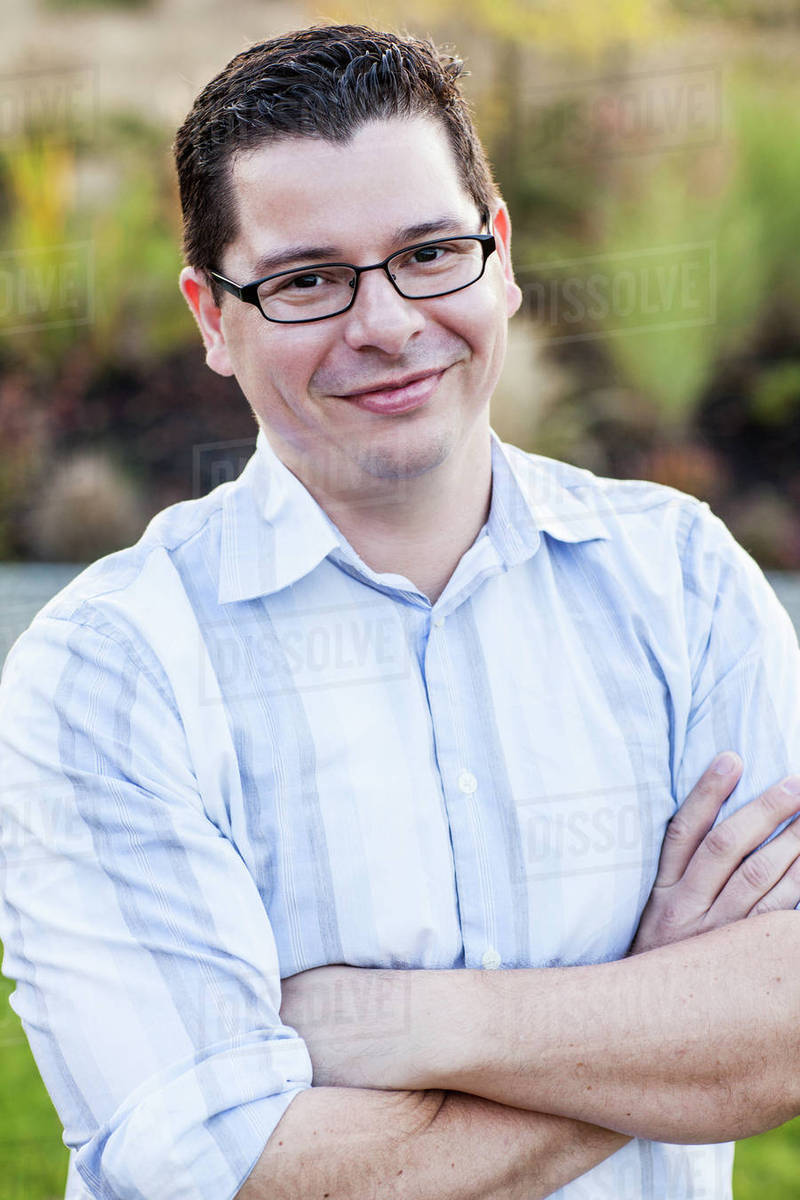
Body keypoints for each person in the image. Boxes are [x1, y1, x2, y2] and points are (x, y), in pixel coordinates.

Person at [1, 23, 800, 1200]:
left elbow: (781, 1028)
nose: (383, 323)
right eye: (306, 278)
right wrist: (657, 1013)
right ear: (211, 317)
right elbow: (220, 1167)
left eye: (429, 252)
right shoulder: (110, 668)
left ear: (501, 255)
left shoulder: (679, 582)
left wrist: (409, 1025)